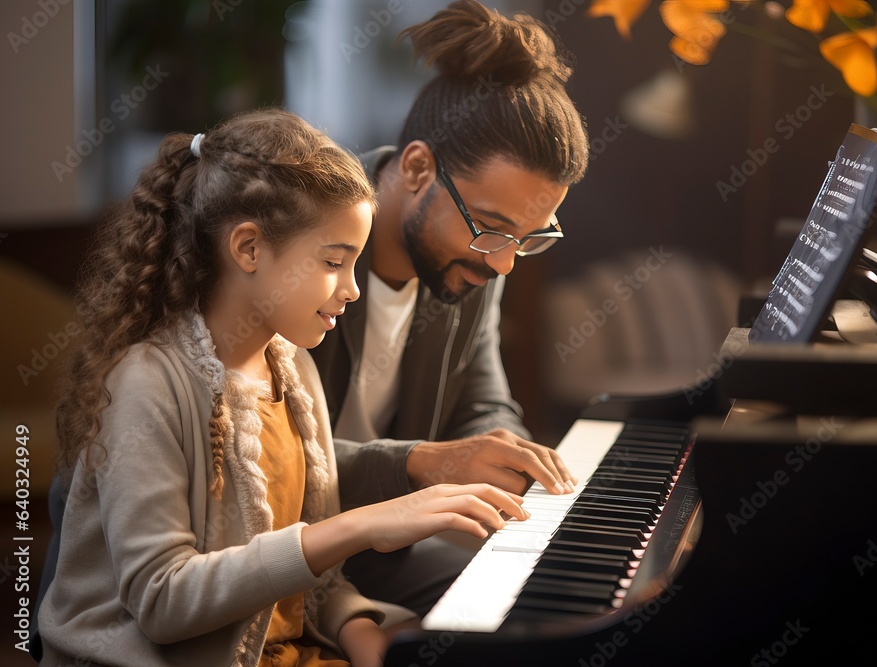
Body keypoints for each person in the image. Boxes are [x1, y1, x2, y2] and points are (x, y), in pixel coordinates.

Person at [36, 108, 527, 667]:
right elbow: (162, 601)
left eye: (355, 265)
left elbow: (310, 586)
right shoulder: (147, 385)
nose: (352, 290)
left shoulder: (293, 372)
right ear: (247, 248)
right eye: (333, 263)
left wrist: (363, 636)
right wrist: (359, 525)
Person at [312, 0, 592, 615]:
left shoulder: (480, 255)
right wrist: (423, 464)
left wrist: (509, 458)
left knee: (548, 598)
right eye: (492, 229)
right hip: (268, 538)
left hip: (378, 537)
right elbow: (256, 456)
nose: (504, 264)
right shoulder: (302, 248)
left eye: (529, 237)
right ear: (417, 168)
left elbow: (483, 401)